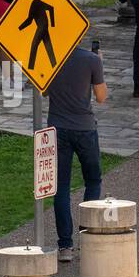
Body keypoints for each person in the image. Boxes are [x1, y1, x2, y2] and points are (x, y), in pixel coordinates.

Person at [44, 46, 106, 261]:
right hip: (85, 128)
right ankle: (86, 234)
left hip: (57, 129)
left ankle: (65, 246)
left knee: (60, 187)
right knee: (93, 180)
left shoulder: (51, 58)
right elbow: (101, 97)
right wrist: (98, 65)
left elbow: (44, 91)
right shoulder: (91, 60)